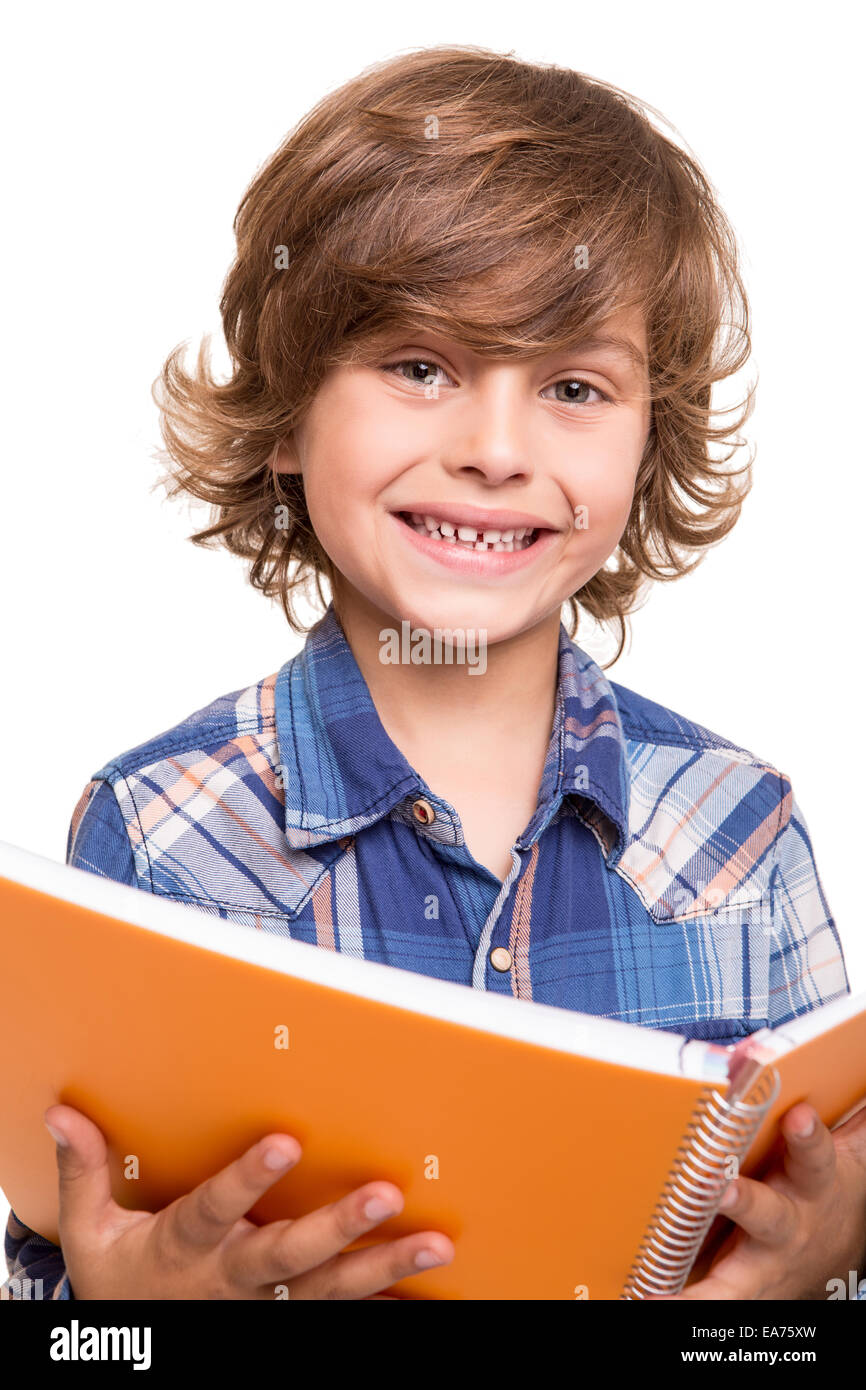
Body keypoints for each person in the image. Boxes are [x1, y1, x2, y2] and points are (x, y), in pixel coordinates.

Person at [5, 43, 866, 1302]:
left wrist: (822, 1275)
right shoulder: (156, 836)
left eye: (573, 385)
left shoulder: (743, 830)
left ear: (645, 447)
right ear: (292, 413)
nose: (496, 450)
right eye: (421, 367)